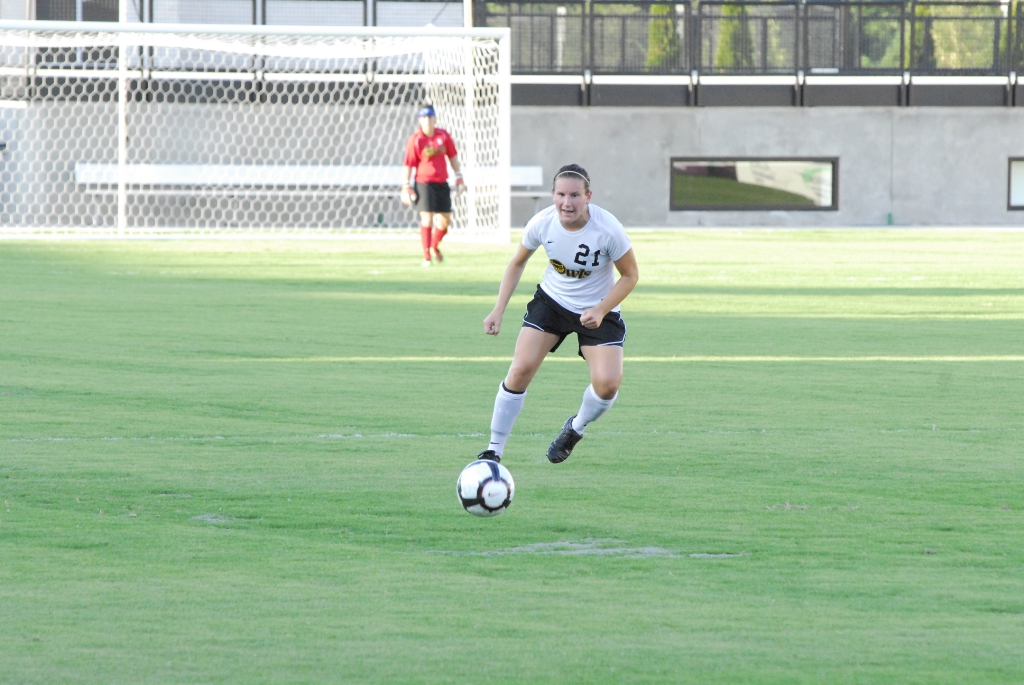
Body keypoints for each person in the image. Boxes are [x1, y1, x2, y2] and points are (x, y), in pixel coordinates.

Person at [478, 164, 639, 464]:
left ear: (588, 196)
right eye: (561, 194)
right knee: (520, 369)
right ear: (552, 196)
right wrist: (498, 310)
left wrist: (602, 309)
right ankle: (493, 451)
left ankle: (575, 429)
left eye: (575, 195)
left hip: (598, 310)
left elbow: (630, 275)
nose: (567, 202)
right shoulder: (542, 223)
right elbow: (517, 263)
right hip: (552, 302)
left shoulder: (608, 229)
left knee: (607, 386)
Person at [401, 105, 465, 266]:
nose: (427, 120)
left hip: (442, 183)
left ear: (435, 118)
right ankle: (426, 256)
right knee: (427, 217)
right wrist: (405, 186)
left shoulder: (443, 136)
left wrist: (459, 177)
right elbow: (408, 164)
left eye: (430, 116)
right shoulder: (415, 139)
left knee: (445, 220)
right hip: (424, 183)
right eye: (423, 117)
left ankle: (433, 246)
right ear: (419, 120)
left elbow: (452, 157)